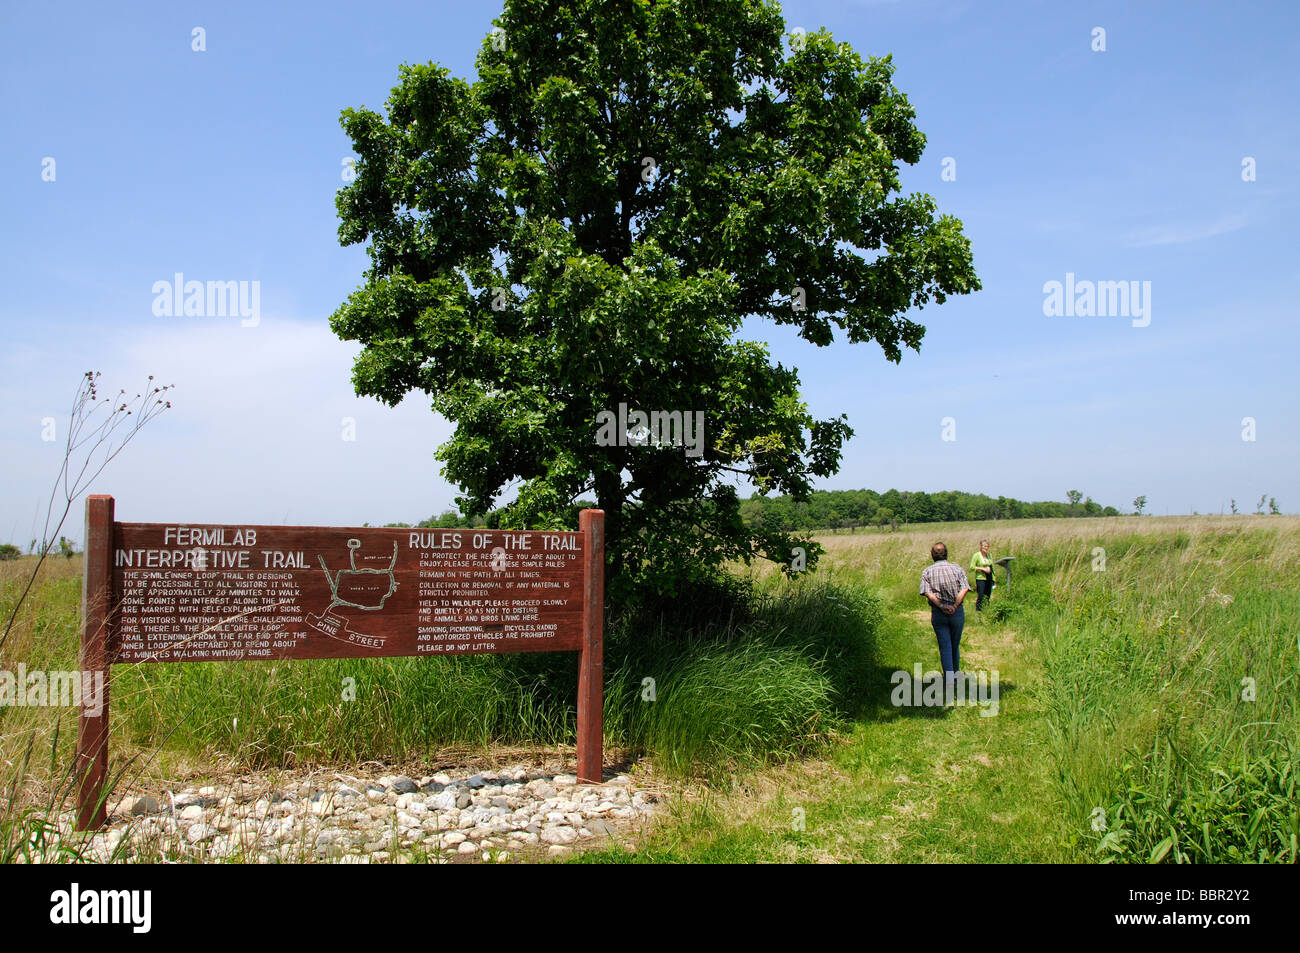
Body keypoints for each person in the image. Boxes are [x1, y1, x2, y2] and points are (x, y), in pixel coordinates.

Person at [920, 542, 970, 700]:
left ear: (932, 555)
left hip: (939, 613)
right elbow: (964, 588)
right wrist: (955, 605)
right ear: (946, 554)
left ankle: (949, 681)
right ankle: (954, 675)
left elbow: (927, 593)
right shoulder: (957, 569)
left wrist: (941, 606)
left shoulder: (927, 572)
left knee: (945, 646)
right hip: (957, 613)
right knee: (955, 644)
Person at [970, 539, 994, 611]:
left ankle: (987, 609)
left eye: (987, 546)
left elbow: (992, 566)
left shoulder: (990, 555)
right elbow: (972, 567)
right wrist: (982, 569)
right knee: (981, 595)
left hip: (989, 577)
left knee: (988, 595)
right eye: (985, 546)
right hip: (980, 577)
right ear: (981, 546)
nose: (986, 548)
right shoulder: (976, 555)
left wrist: (994, 578)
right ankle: (978, 610)